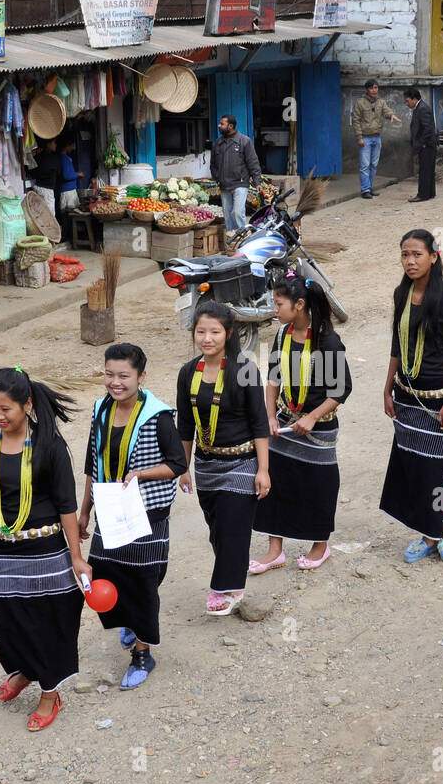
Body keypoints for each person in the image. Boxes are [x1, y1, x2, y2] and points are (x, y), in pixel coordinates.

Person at [0, 368, 90, 732]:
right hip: (2, 547)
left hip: (45, 549)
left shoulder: (49, 445)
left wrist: (75, 556)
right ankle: (23, 669)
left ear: (26, 404)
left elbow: (66, 504)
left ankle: (49, 692)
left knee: (47, 623)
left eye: (5, 409)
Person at [77, 343, 186, 690]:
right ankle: (128, 621)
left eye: (124, 375)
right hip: (110, 510)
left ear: (141, 376)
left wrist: (141, 474)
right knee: (105, 574)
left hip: (147, 515)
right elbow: (92, 465)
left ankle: (143, 654)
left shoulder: (158, 415)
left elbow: (177, 465)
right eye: (109, 374)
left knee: (141, 584)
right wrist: (84, 512)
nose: (115, 381)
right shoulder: (101, 410)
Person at [251, 276, 352, 571]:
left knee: (317, 484)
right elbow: (272, 379)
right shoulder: (283, 335)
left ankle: (320, 546)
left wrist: (312, 416)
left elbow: (340, 390)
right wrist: (270, 416)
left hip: (318, 427)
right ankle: (275, 550)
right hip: (285, 422)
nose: (274, 309)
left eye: (278, 304)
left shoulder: (327, 341)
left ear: (299, 305)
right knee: (275, 480)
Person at [176, 302, 270, 615]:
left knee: (232, 526)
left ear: (228, 334)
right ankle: (232, 576)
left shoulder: (244, 370)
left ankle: (225, 587)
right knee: (218, 529)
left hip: (242, 462)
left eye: (215, 331)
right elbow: (185, 425)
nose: (207, 338)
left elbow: (259, 423)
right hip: (207, 464)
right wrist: (183, 467)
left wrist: (264, 470)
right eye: (201, 331)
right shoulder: (188, 372)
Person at [380, 229, 443, 562]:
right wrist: (387, 387)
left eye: (417, 254)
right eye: (404, 254)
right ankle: (431, 535)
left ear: (434, 256)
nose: (410, 261)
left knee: (435, 471)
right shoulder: (402, 293)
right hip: (406, 396)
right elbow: (396, 347)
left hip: (437, 400)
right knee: (413, 467)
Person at [211, 114, 263, 241]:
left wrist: (258, 182)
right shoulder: (218, 143)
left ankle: (244, 239)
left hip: (240, 183)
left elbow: (253, 162)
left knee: (238, 212)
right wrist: (217, 177)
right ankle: (233, 241)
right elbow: (213, 164)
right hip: (224, 185)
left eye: (222, 124)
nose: (219, 125)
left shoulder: (244, 141)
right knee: (228, 216)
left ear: (230, 126)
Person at [352, 80, 401, 199]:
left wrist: (391, 115)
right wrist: (359, 137)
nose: (374, 90)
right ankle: (365, 190)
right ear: (367, 89)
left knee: (373, 165)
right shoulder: (360, 103)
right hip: (365, 138)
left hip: (377, 137)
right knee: (364, 165)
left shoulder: (381, 102)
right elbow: (356, 120)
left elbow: (386, 111)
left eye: (376, 88)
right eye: (372, 88)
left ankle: (369, 187)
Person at [31, 137, 63, 217]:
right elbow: (59, 172)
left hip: (36, 187)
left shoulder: (37, 157)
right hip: (47, 191)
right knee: (50, 216)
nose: (56, 145)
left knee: (39, 214)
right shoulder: (54, 159)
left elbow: (31, 171)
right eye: (54, 143)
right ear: (48, 144)